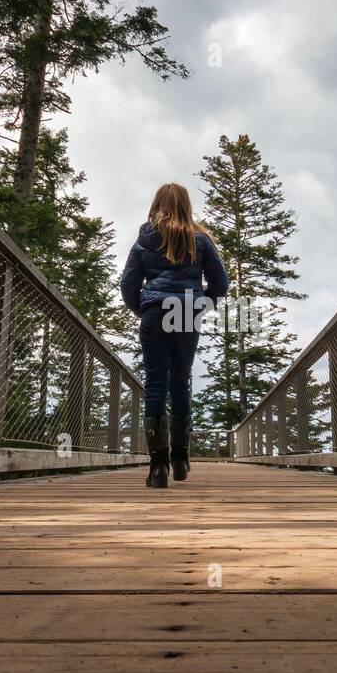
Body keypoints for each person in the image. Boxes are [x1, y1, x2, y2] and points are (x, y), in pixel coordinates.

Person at [120, 182, 229, 488]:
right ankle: (181, 460)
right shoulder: (201, 239)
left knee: (156, 384)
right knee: (180, 380)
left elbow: (128, 284)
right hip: (184, 313)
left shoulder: (144, 239)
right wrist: (197, 305)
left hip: (154, 311)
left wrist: (145, 309)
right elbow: (220, 285)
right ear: (186, 204)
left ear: (158, 204)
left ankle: (158, 468)